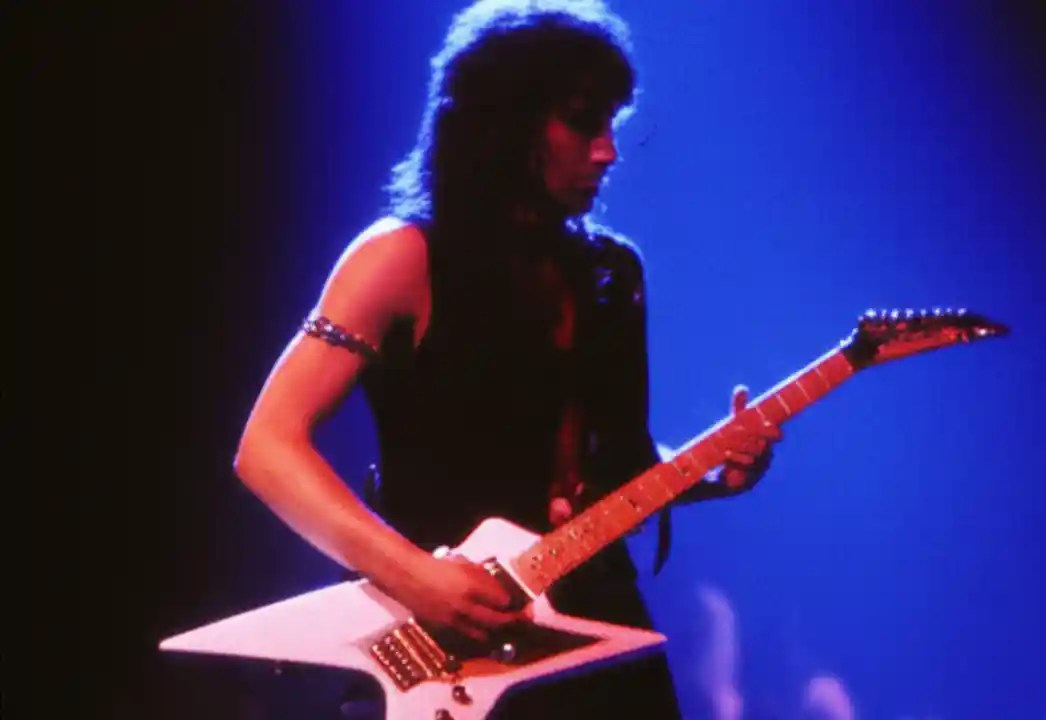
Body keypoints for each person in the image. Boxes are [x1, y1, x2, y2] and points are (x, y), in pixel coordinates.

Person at [231, 0, 781, 717]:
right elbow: (267, 447)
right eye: (582, 122)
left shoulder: (614, 274)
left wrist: (709, 472)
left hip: (597, 631)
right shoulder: (399, 258)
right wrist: (414, 575)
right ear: (504, 124)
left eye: (611, 124)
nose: (608, 151)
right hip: (445, 646)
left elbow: (616, 467)